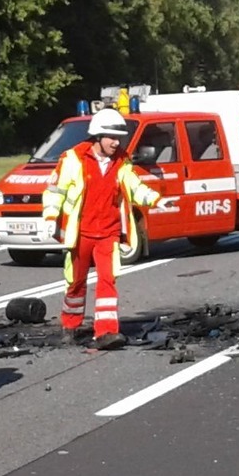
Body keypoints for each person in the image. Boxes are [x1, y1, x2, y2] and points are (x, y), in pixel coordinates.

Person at [43, 108, 160, 349]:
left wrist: (156, 199)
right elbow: (56, 191)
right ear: (98, 136)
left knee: (108, 280)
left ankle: (106, 331)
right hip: (80, 233)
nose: (117, 143)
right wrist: (50, 216)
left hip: (108, 233)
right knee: (75, 282)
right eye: (112, 138)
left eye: (119, 138)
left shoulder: (122, 162)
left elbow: (134, 187)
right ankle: (70, 325)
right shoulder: (73, 159)